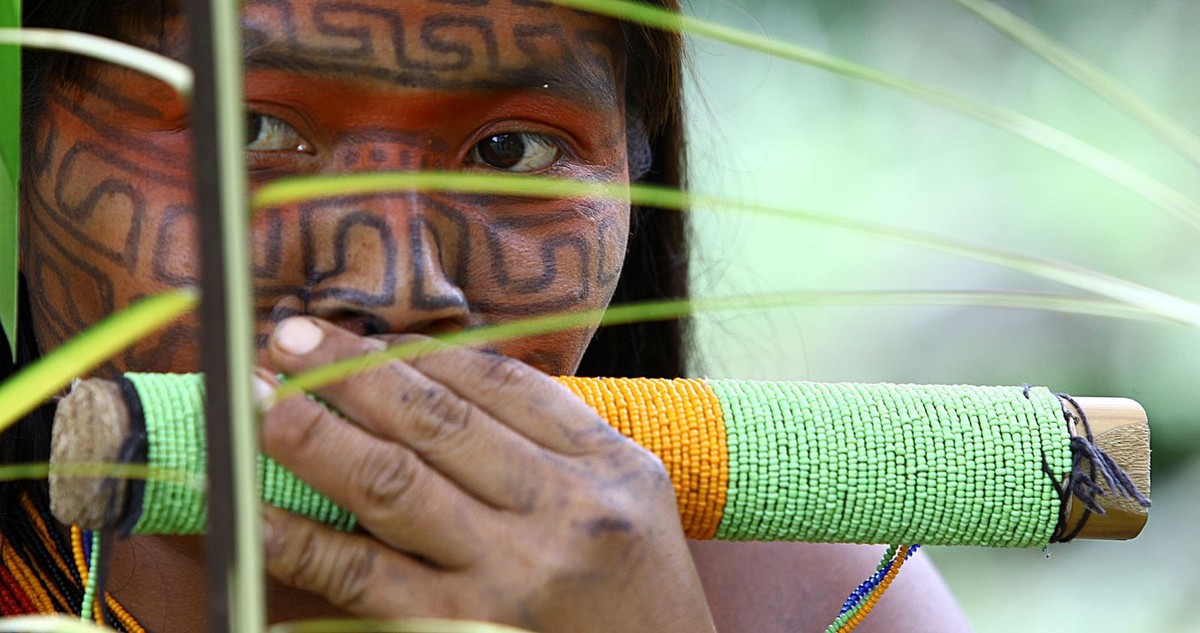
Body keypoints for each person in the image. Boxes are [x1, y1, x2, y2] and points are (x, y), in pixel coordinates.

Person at [0, 0, 973, 630]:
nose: (396, 289)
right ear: (19, 148)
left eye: (511, 149)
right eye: (250, 130)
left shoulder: (804, 595)